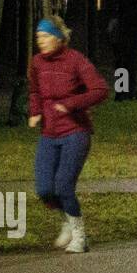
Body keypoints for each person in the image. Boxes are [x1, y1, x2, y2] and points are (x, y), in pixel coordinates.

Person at [28, 15, 109, 253]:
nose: (40, 42)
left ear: (59, 38)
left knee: (63, 186)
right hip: (49, 134)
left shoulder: (76, 61)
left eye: (45, 37)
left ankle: (80, 237)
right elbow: (34, 91)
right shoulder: (37, 63)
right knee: (44, 189)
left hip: (75, 132)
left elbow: (100, 90)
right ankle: (66, 221)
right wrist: (35, 112)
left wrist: (71, 104)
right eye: (37, 37)